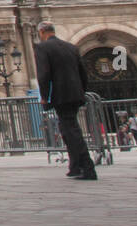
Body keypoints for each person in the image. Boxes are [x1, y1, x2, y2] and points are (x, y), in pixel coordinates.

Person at [34, 22, 96, 180]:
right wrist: (82, 91)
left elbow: (44, 75)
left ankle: (88, 168)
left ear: (41, 32)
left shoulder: (42, 48)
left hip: (61, 95)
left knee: (72, 131)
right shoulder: (71, 47)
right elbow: (83, 73)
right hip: (75, 94)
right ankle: (75, 166)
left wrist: (44, 96)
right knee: (67, 129)